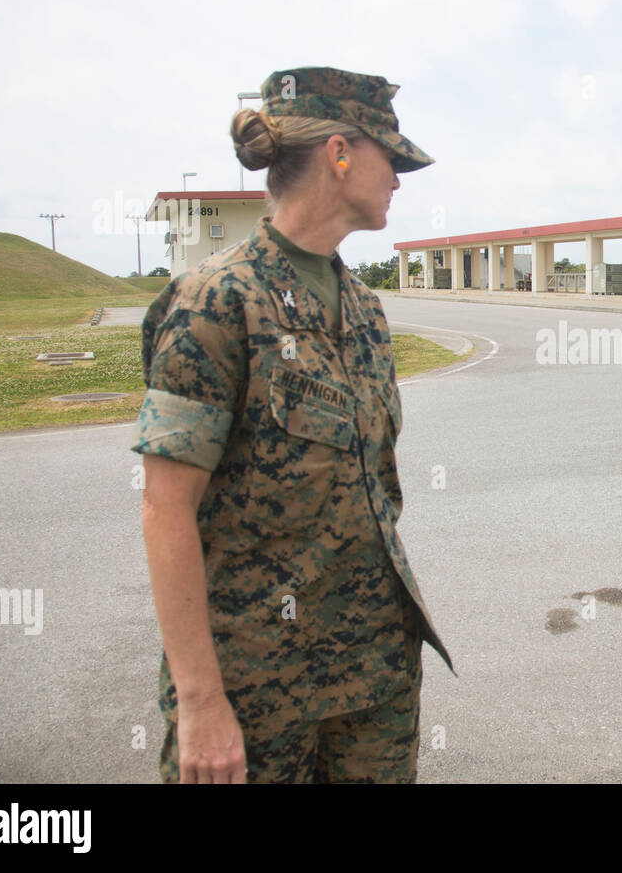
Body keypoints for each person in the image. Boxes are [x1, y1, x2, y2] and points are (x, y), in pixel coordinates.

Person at [133, 67, 452, 783]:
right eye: (391, 159)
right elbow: (165, 509)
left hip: (374, 677)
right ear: (340, 154)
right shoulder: (216, 303)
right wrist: (201, 701)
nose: (400, 179)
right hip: (258, 692)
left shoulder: (365, 308)